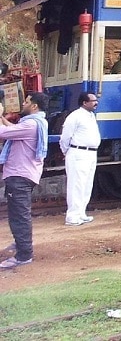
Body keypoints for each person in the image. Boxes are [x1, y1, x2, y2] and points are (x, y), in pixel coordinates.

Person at [0, 91, 49, 268]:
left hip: (19, 174)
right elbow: (11, 130)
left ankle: (23, 255)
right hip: (23, 174)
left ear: (34, 106)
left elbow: (4, 133)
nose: (23, 104)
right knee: (19, 214)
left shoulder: (30, 125)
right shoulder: (34, 123)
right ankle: (21, 244)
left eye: (26, 101)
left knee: (19, 216)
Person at [59, 91, 101, 225]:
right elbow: (65, 137)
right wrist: (67, 151)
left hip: (90, 153)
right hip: (78, 152)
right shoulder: (75, 116)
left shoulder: (90, 116)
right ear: (84, 102)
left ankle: (81, 213)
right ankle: (72, 216)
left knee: (86, 184)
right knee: (76, 185)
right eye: (93, 100)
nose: (96, 103)